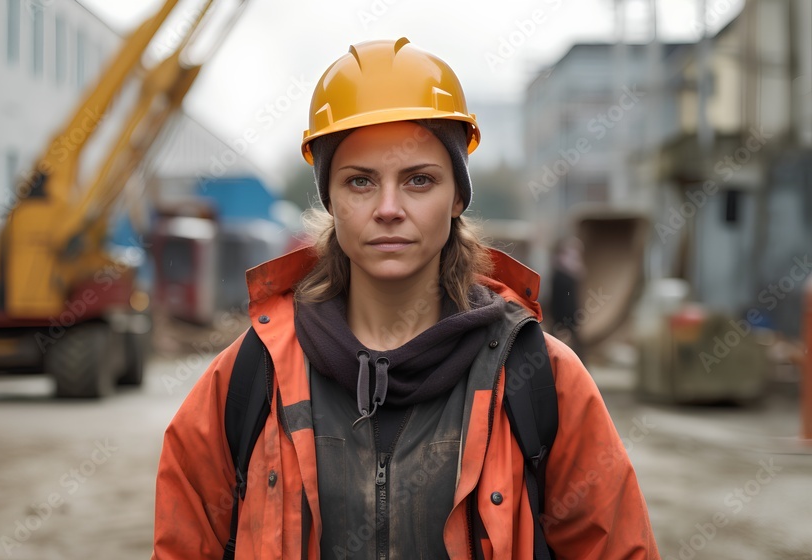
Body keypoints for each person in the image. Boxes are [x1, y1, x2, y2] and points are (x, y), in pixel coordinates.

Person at [153, 38, 658, 559]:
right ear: (331, 198)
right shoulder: (250, 375)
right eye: (360, 182)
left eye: (419, 180)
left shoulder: (538, 376)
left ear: (457, 196)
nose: (389, 208)